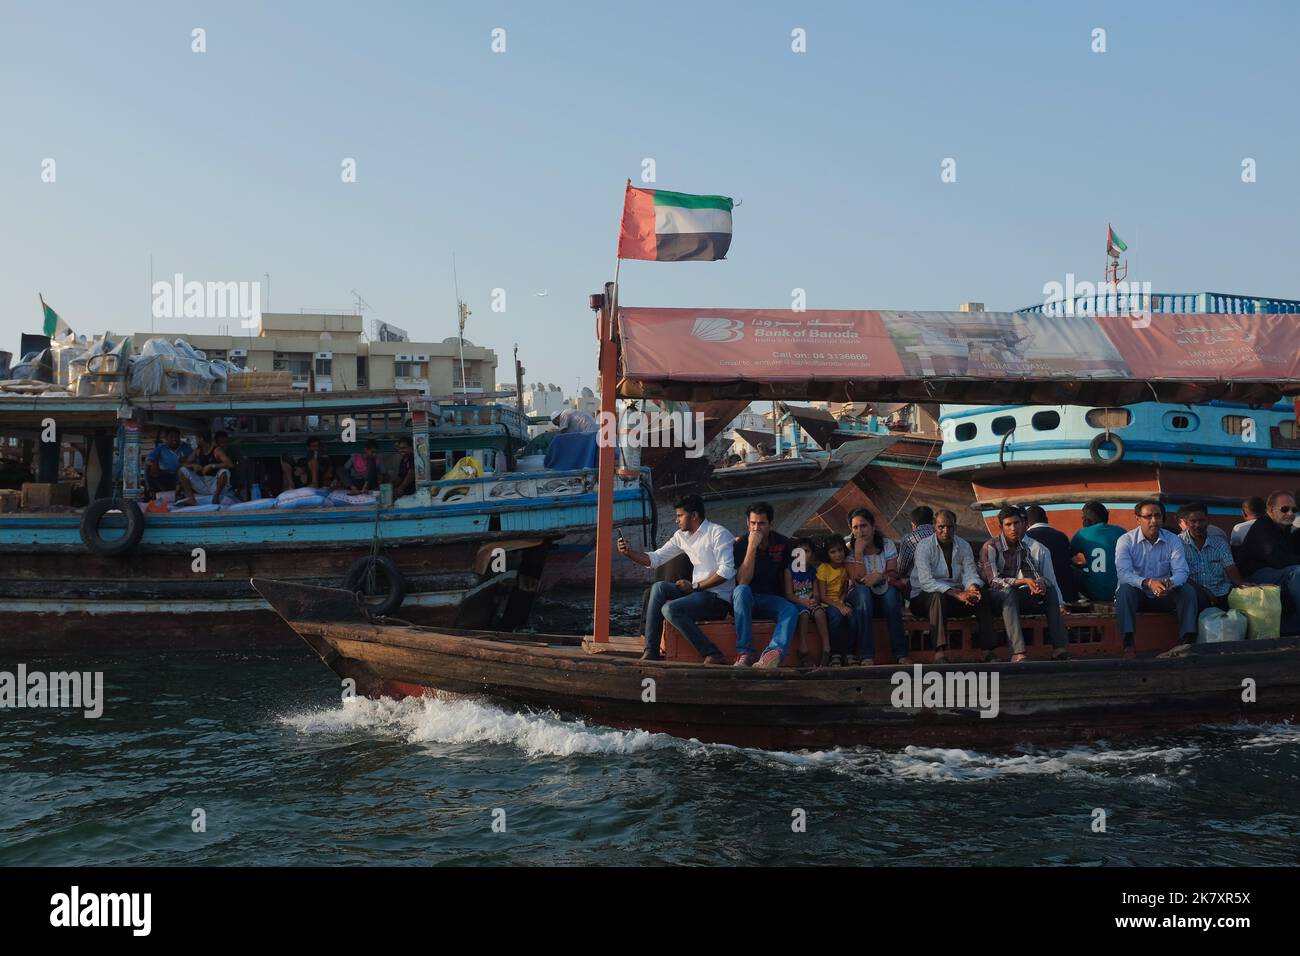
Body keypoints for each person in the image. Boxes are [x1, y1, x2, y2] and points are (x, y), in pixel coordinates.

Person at [618, 494, 734, 663]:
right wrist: (629, 553)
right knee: (657, 588)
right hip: (697, 594)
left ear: (694, 515)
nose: (676, 520)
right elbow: (655, 559)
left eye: (680, 516)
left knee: (670, 609)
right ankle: (651, 651)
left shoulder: (717, 533)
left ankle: (712, 653)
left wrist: (695, 586)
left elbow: (726, 571)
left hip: (717, 599)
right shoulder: (681, 536)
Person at [979, 507, 1070, 662]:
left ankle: (1059, 648)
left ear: (1023, 524)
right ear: (1001, 527)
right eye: (1008, 525)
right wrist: (1022, 581)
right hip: (990, 598)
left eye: (1016, 523)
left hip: (1011, 596)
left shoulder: (1023, 547)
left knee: (1049, 590)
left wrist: (1039, 584)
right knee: (1009, 592)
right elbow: (993, 581)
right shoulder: (991, 547)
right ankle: (1017, 652)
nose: (1013, 528)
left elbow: (1033, 574)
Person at [911, 509, 996, 663]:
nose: (945, 531)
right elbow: (926, 582)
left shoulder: (963, 545)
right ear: (934, 527)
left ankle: (987, 650)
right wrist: (957, 594)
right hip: (923, 598)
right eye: (941, 527)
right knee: (937, 597)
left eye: (949, 527)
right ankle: (939, 654)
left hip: (954, 596)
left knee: (981, 595)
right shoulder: (924, 546)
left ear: (955, 527)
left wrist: (972, 588)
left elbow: (970, 572)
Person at [1114, 499, 1198, 651]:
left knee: (1187, 591)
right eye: (1148, 516)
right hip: (1138, 594)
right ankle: (1128, 643)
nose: (1154, 521)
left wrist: (1169, 583)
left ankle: (1187, 641)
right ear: (1138, 519)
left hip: (1164, 594)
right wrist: (1148, 582)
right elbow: (1123, 574)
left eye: (1158, 516)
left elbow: (1182, 571)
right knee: (1124, 590)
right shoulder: (1125, 541)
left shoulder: (1173, 540)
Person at [730, 502, 799, 669]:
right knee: (741, 590)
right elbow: (743, 581)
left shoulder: (782, 543)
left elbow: (793, 574)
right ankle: (745, 653)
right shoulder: (741, 545)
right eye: (753, 523)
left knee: (790, 610)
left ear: (770, 524)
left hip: (771, 599)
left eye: (761, 523)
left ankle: (772, 654)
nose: (756, 528)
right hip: (747, 599)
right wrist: (752, 547)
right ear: (747, 523)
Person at [845, 508, 908, 665]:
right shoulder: (848, 549)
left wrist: (880, 576)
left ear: (873, 527)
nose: (860, 531)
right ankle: (867, 655)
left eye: (864, 526)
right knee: (863, 594)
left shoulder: (887, 544)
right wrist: (859, 552)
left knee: (891, 596)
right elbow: (857, 579)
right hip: (860, 596)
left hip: (884, 591)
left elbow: (893, 573)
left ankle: (901, 654)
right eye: (855, 527)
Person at [1236, 490, 1300, 634]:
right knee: (1297, 572)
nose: (1290, 513)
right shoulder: (1262, 527)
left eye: (1294, 510)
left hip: (1277, 573)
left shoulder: (1287, 530)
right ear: (1271, 510)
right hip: (1256, 575)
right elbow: (1278, 560)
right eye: (1285, 509)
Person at [1177, 502, 1246, 613]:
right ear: (1186, 522)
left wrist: (1243, 584)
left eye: (1201, 521)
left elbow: (1230, 567)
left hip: (1221, 592)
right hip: (1194, 593)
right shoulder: (1177, 543)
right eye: (1193, 521)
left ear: (1208, 520)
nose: (1197, 525)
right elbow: (1178, 574)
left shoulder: (1219, 543)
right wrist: (1205, 592)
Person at [1070, 500, 1126, 603]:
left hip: (1095, 592)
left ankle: (1071, 600)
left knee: (1069, 570)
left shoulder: (1082, 534)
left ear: (1086, 519)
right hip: (1121, 590)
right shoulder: (1121, 531)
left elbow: (1067, 556)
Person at [784, 537, 830, 666]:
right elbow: (788, 594)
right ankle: (803, 648)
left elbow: (816, 593)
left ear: (812, 554)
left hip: (810, 602)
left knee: (820, 613)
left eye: (807, 551)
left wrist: (814, 600)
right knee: (803, 615)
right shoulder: (789, 570)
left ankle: (827, 648)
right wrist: (803, 602)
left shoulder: (812, 571)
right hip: (797, 603)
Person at [1024, 505, 1079, 603]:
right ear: (1046, 519)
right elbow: (1073, 561)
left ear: (1026, 523)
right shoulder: (1062, 536)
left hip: (1042, 594)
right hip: (1067, 592)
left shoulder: (1026, 539)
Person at [816, 537, 855, 666]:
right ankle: (836, 654)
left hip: (840, 601)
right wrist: (839, 606)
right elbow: (823, 596)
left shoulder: (845, 568)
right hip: (827, 604)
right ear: (827, 554)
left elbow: (844, 590)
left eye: (840, 550)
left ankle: (850, 653)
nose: (838, 554)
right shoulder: (823, 568)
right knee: (836, 616)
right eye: (833, 552)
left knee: (852, 615)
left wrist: (843, 602)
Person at [177, 431, 233, 504]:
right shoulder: (198, 450)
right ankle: (191, 499)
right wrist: (193, 465)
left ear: (201, 439)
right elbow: (184, 464)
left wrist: (212, 466)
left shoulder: (216, 450)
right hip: (203, 483)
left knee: (224, 472)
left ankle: (216, 498)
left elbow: (230, 464)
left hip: (215, 484)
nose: (196, 440)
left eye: (197, 438)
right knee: (181, 470)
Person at [895, 505, 935, 589]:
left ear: (913, 524)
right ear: (933, 521)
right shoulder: (941, 535)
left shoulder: (910, 539)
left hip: (920, 584)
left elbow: (901, 569)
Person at [144, 427, 193, 495]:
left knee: (183, 470)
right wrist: (153, 464)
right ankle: (151, 492)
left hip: (180, 476)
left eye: (176, 436)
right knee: (148, 467)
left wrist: (187, 460)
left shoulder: (185, 447)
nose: (174, 439)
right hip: (165, 476)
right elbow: (148, 459)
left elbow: (194, 459)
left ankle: (180, 492)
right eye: (171, 436)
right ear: (166, 438)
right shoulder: (161, 448)